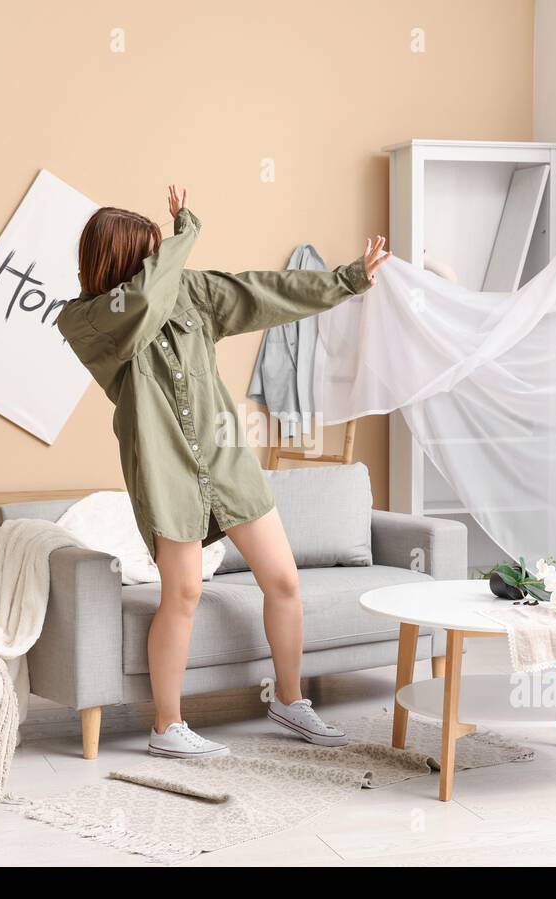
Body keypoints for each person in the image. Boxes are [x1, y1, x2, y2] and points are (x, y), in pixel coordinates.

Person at [58, 185, 390, 758]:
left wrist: (347, 279)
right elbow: (139, 306)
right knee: (182, 594)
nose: (157, 261)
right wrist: (186, 234)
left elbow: (264, 292)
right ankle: (167, 727)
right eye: (146, 253)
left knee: (284, 581)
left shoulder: (191, 291)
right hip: (166, 472)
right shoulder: (87, 322)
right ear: (119, 261)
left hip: (226, 460)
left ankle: (289, 700)